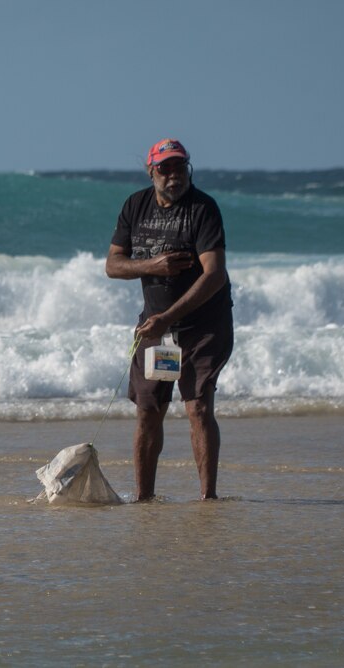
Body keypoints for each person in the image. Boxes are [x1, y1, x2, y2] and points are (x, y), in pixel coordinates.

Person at [105, 138, 233, 500]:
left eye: (180, 167)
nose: (174, 175)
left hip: (204, 325)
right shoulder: (135, 205)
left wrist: (169, 316)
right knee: (148, 411)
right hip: (157, 330)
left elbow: (215, 275)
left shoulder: (203, 209)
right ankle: (144, 498)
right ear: (151, 171)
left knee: (198, 406)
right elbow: (113, 265)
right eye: (166, 168)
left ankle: (208, 499)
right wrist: (153, 266)